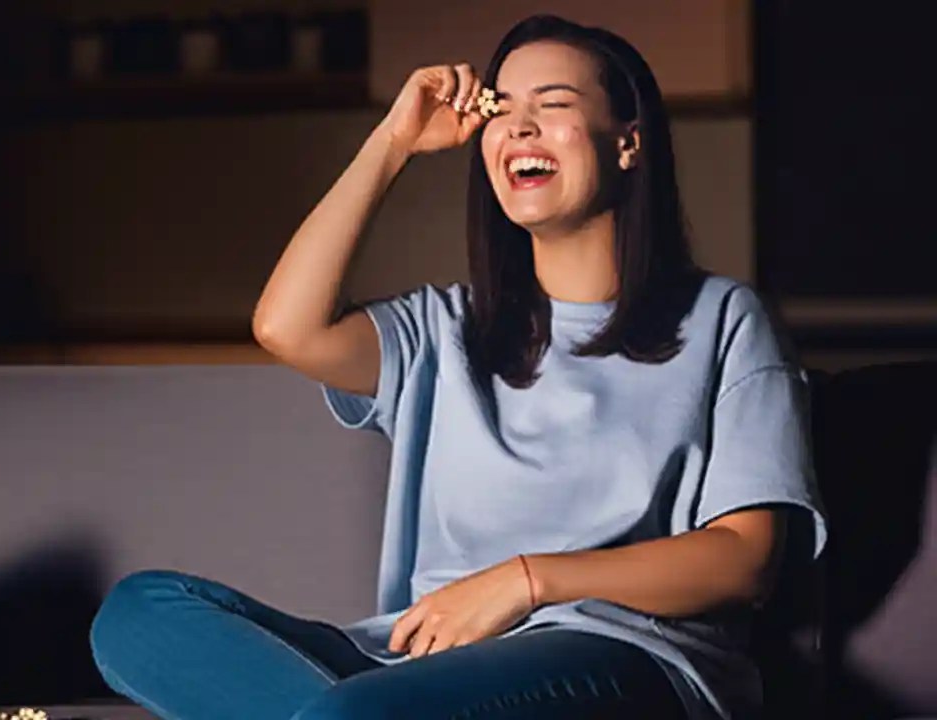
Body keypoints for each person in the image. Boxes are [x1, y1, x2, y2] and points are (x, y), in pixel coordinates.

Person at [89, 14, 826, 720]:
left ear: (628, 142)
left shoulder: (725, 320)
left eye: (555, 102)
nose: (521, 126)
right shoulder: (445, 329)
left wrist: (527, 583)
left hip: (622, 655)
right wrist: (394, 141)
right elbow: (287, 326)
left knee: (362, 714)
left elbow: (743, 560)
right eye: (504, 109)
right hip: (417, 663)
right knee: (139, 617)